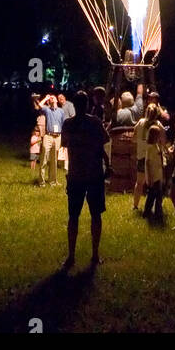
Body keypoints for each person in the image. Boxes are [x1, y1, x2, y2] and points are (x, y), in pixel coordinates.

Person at [60, 90, 108, 269]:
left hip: (76, 175)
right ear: (87, 104)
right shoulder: (95, 122)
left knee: (73, 216)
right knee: (96, 215)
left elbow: (64, 143)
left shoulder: (68, 124)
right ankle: (95, 254)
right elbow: (104, 140)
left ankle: (71, 256)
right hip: (94, 174)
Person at [132, 101, 159, 211]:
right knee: (153, 183)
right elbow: (162, 139)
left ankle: (135, 205)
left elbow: (133, 138)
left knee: (139, 183)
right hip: (153, 156)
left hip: (141, 156)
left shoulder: (140, 122)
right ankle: (152, 207)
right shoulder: (157, 125)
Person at [39, 94, 65, 187]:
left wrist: (63, 138)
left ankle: (52, 181)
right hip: (48, 136)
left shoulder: (61, 111)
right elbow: (40, 105)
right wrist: (46, 98)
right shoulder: (47, 109)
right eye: (51, 98)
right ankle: (41, 182)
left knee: (54, 160)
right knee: (44, 158)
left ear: (57, 101)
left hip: (58, 136)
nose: (52, 98)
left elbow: (63, 125)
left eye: (53, 97)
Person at [143, 124, 166, 221]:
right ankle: (147, 212)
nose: (159, 137)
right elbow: (148, 163)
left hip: (158, 175)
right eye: (158, 135)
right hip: (153, 176)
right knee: (152, 196)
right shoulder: (150, 148)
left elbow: (161, 158)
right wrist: (150, 178)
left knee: (159, 196)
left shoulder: (157, 146)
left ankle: (158, 213)